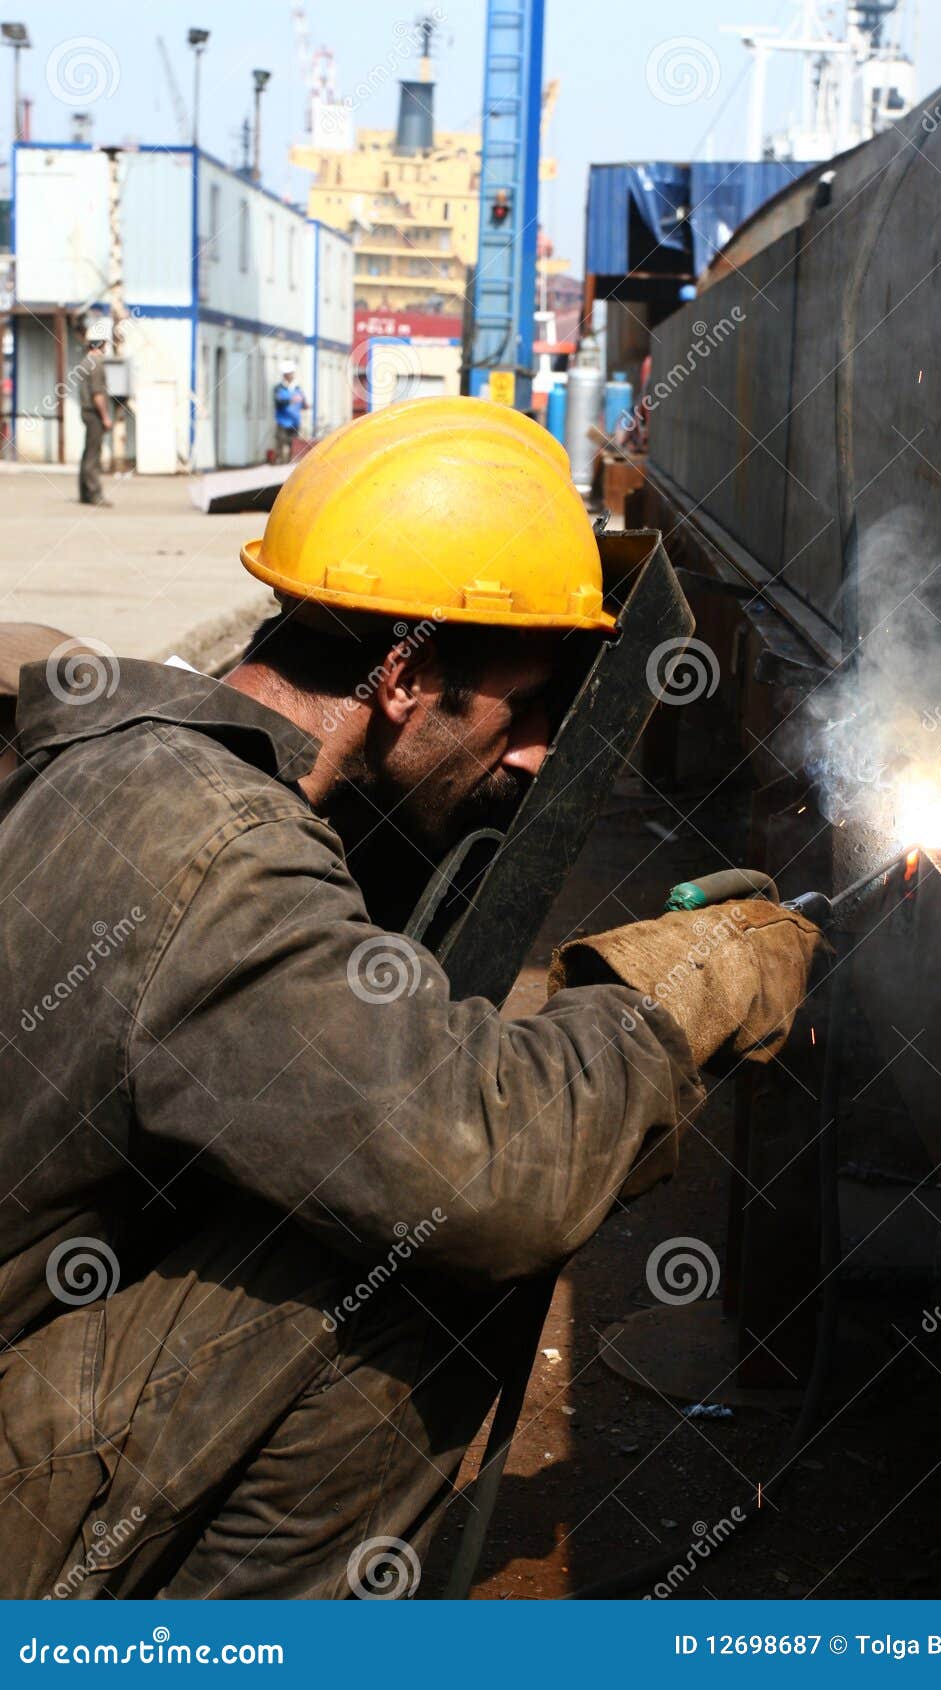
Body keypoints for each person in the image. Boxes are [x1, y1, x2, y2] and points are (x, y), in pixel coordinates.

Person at [0, 399, 821, 1598]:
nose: (535, 751)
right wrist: (683, 988)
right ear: (406, 674)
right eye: (520, 706)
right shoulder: (221, 856)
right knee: (421, 1269)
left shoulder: (138, 742)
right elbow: (488, 1165)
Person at [75, 326, 112, 507]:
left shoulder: (85, 361)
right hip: (94, 413)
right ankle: (94, 493)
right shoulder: (96, 364)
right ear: (101, 344)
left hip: (86, 411)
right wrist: (105, 417)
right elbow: (97, 394)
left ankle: (84, 493)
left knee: (87, 452)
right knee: (93, 454)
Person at [273, 359, 306, 461]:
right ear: (285, 375)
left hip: (295, 421)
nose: (291, 375)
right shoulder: (278, 388)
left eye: (292, 373)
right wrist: (290, 400)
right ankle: (280, 461)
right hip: (283, 421)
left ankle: (290, 462)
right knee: (281, 443)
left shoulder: (297, 388)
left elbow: (303, 402)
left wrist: (305, 404)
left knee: (293, 446)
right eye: (289, 374)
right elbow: (278, 402)